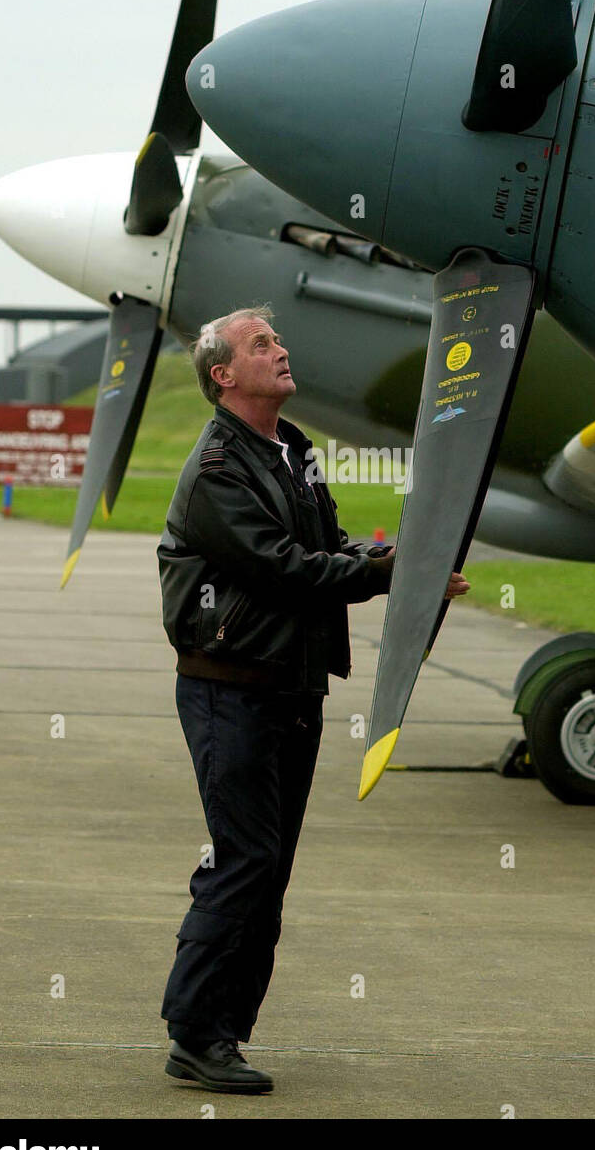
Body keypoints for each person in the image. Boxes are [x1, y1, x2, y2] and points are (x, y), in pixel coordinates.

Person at [156, 304, 469, 1093]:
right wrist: (384, 572)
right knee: (246, 862)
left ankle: (223, 1032)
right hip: (231, 693)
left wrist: (394, 559)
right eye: (261, 345)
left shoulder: (290, 451)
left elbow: (324, 552)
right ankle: (195, 1034)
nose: (281, 350)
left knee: (268, 868)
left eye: (276, 339)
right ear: (224, 375)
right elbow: (283, 569)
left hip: (288, 689)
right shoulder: (220, 470)